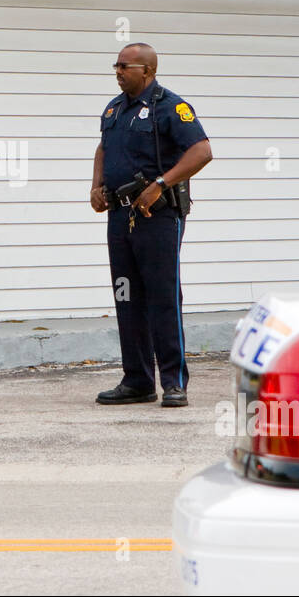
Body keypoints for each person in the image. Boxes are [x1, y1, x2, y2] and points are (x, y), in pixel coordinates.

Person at [91, 43, 213, 407]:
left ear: (146, 70)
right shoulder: (114, 108)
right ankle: (137, 380)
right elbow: (103, 148)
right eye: (115, 65)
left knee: (162, 297)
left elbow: (202, 151)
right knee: (127, 295)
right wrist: (96, 185)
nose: (117, 71)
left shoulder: (171, 107)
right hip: (120, 216)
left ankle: (174, 383)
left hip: (157, 216)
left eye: (123, 66)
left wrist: (162, 183)